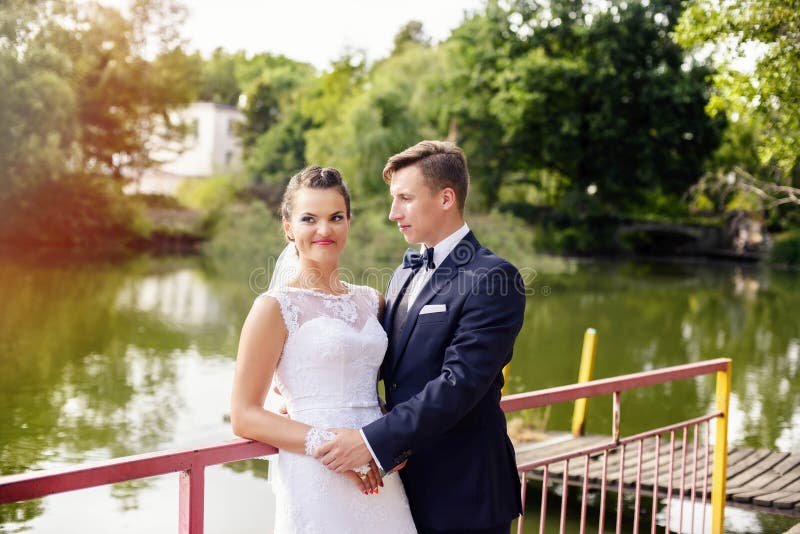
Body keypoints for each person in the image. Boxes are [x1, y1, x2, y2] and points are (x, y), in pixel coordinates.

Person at [315, 141, 527, 534]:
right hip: (397, 489)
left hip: (463, 492)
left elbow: (458, 385)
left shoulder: (493, 278)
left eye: (405, 199)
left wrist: (371, 441)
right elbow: (377, 361)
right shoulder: (403, 273)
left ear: (446, 198)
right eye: (393, 199)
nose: (393, 213)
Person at [230, 166, 417, 533]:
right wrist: (333, 448)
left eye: (335, 217)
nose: (324, 230)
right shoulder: (274, 307)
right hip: (317, 473)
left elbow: (382, 388)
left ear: (349, 222)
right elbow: (243, 415)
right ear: (288, 227)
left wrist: (392, 440)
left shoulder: (373, 302)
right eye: (309, 219)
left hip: (378, 468)